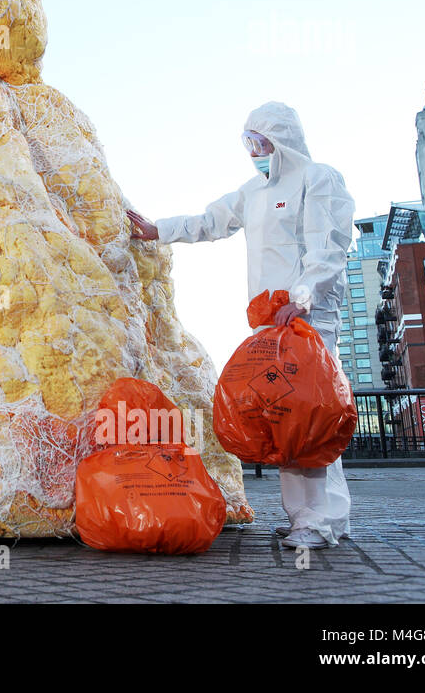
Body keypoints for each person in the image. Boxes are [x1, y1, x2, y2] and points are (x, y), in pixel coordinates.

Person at [126, 102, 355, 550]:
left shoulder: (318, 179)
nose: (255, 151)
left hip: (307, 316)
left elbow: (328, 246)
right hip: (268, 320)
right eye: (250, 143)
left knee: (311, 413)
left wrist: (301, 296)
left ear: (283, 140)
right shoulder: (252, 192)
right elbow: (212, 221)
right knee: (287, 416)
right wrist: (159, 230)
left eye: (262, 142)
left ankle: (317, 521)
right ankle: (314, 517)